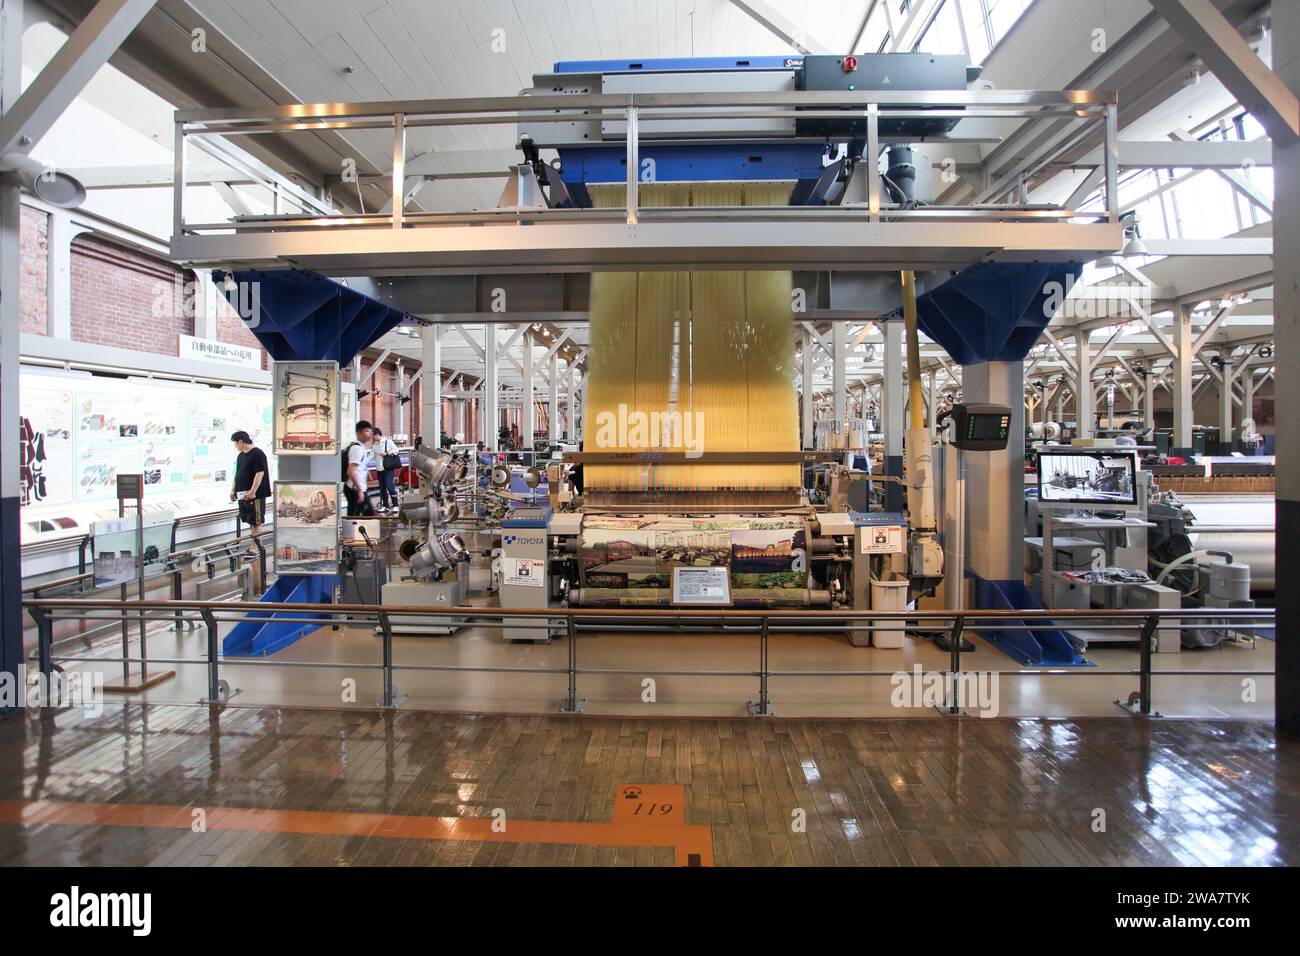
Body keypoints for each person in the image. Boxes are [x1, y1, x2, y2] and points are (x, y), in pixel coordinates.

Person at [230, 431, 270, 554]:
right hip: (243, 494)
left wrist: (253, 491)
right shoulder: (241, 455)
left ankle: (255, 547)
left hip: (256, 495)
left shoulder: (258, 454)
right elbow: (237, 474)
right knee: (250, 520)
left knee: (256, 521)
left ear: (241, 441)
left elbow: (260, 473)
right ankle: (255, 544)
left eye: (235, 443)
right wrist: (233, 489)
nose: (235, 446)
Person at [342, 420, 376, 517]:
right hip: (355, 490)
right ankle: (349, 532)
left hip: (357, 488)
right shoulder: (357, 449)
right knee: (360, 516)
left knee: (357, 516)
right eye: (366, 431)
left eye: (370, 431)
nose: (370, 434)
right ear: (359, 433)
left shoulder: (360, 447)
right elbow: (350, 471)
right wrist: (360, 491)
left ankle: (351, 531)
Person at [372, 426, 400, 514]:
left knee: (390, 486)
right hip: (379, 469)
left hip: (387, 468)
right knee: (382, 488)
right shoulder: (375, 445)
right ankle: (385, 506)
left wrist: (386, 453)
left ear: (377, 435)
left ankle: (395, 505)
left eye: (373, 435)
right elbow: (371, 455)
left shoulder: (387, 441)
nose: (372, 437)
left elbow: (396, 450)